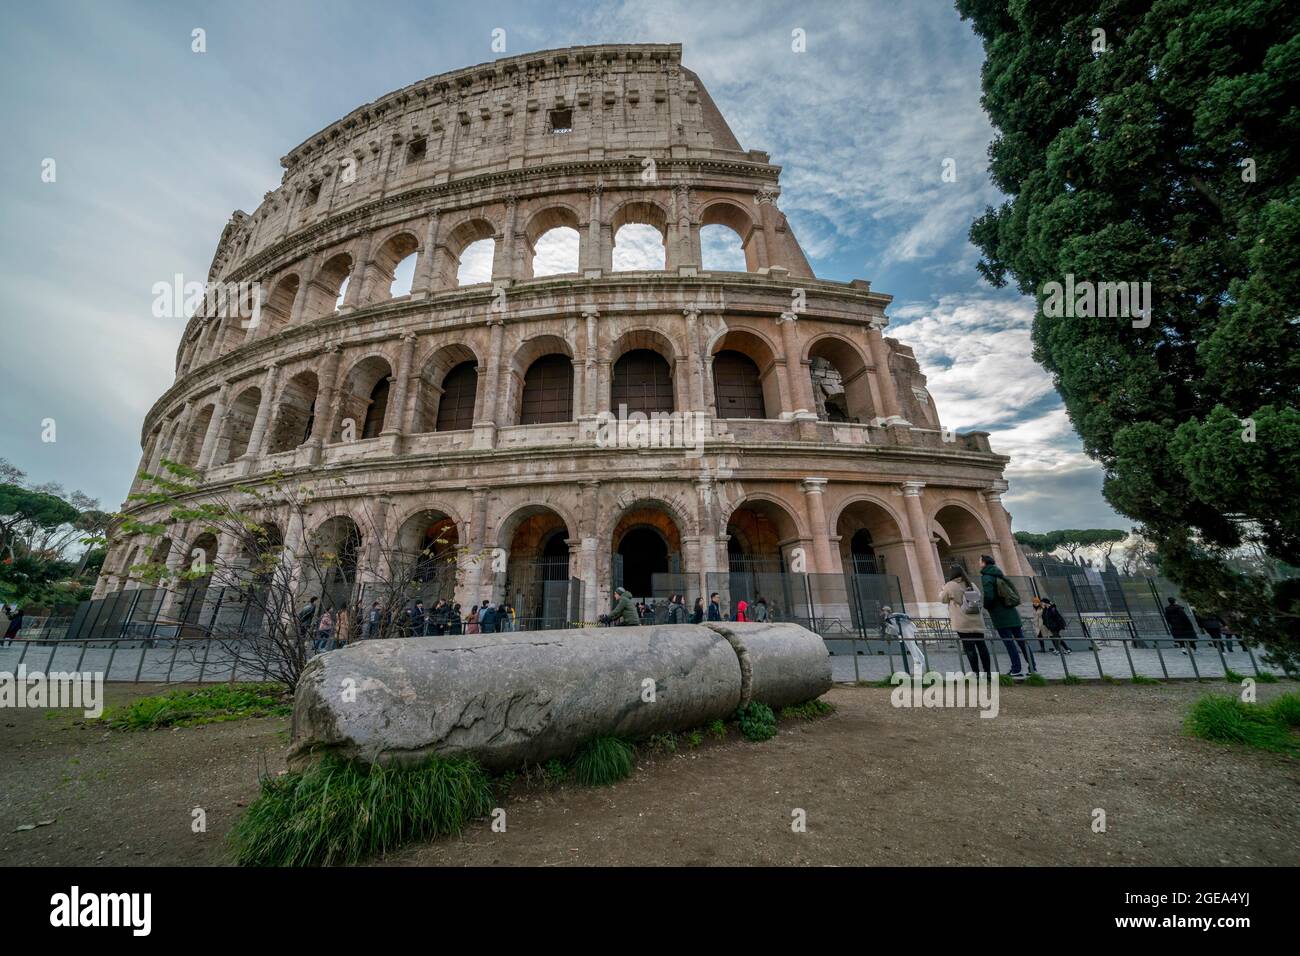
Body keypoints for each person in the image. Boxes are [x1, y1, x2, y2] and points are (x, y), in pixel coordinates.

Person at [980, 554, 1034, 679]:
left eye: (980, 561)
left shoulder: (987, 577)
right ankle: (1032, 667)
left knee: (1009, 643)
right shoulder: (1000, 575)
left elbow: (989, 596)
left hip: (1000, 614)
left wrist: (987, 606)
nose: (979, 563)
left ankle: (1016, 668)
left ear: (984, 563)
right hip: (1012, 612)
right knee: (1021, 641)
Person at [939, 566, 989, 677]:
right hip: (976, 620)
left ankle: (975, 673)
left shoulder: (950, 585)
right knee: (982, 646)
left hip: (962, 621)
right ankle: (988, 672)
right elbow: (979, 597)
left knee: (969, 648)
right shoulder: (971, 584)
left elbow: (943, 599)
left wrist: (943, 590)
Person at [880, 605, 926, 675]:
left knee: (912, 649)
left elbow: (905, 622)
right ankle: (921, 661)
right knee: (913, 648)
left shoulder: (893, 616)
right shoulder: (889, 618)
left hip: (906, 632)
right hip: (905, 632)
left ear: (886, 611)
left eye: (883, 611)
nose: (882, 612)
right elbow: (893, 627)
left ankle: (918, 667)